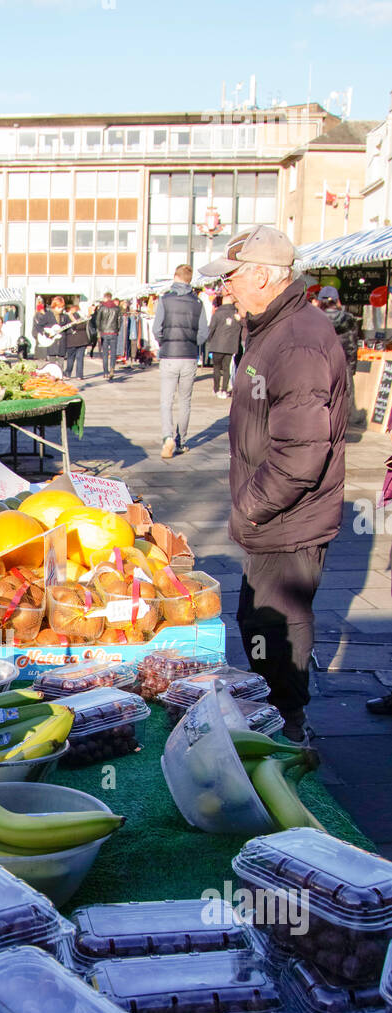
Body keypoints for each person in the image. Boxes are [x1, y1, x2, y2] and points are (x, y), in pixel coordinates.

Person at [200, 225, 348, 744]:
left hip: (288, 518)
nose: (226, 289)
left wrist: (250, 508)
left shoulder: (299, 341)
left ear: (264, 277)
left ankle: (287, 731)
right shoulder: (273, 328)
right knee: (259, 621)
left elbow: (301, 453)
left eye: (233, 278)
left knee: (277, 627)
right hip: (275, 517)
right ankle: (276, 715)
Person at [153, 263, 209, 459]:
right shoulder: (198, 303)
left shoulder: (165, 300)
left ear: (175, 277)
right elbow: (204, 332)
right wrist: (192, 344)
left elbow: (156, 329)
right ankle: (181, 441)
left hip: (169, 354)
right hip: (189, 356)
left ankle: (167, 436)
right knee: (185, 401)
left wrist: (164, 342)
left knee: (166, 401)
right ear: (189, 279)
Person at [317, 286, 361, 423]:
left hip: (320, 367)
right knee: (342, 402)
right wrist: (351, 370)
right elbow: (352, 347)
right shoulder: (349, 320)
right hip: (343, 366)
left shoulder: (314, 319)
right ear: (337, 301)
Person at [206, 292, 243, 399]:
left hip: (218, 344)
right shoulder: (236, 314)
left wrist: (209, 339)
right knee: (227, 368)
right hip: (231, 345)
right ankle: (224, 390)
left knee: (216, 368)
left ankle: (216, 389)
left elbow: (211, 328)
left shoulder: (218, 313)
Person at [32, 295, 68, 361]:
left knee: (61, 365)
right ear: (54, 306)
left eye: (62, 307)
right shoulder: (48, 315)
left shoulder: (64, 317)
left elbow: (67, 330)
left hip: (61, 344)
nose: (61, 309)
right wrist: (45, 333)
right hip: (51, 342)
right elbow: (38, 326)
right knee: (52, 364)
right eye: (59, 307)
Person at [96, 291, 121, 380]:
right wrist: (117, 330)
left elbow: (98, 320)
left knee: (105, 353)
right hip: (114, 332)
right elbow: (119, 321)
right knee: (113, 353)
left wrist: (99, 330)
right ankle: (112, 369)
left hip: (104, 333)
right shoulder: (117, 308)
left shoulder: (102, 308)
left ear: (105, 297)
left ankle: (105, 372)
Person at [63, 306, 90, 379]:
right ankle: (79, 375)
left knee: (70, 358)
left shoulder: (67, 317)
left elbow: (65, 328)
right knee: (80, 358)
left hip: (71, 339)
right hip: (82, 339)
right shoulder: (83, 317)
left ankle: (67, 374)